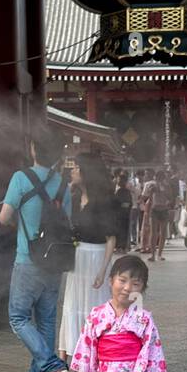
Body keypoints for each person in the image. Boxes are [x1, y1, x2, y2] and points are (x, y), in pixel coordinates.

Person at [0, 128, 72, 372]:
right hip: (55, 260)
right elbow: (68, 222)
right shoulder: (64, 184)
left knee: (18, 317)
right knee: (46, 319)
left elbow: (4, 218)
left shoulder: (21, 178)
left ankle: (50, 364)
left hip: (28, 260)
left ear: (33, 150)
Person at [58, 154, 120, 361]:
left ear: (86, 172)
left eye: (76, 167)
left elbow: (111, 238)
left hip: (96, 256)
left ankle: (94, 353)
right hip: (77, 257)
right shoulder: (73, 198)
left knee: (93, 306)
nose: (72, 171)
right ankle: (65, 355)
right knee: (72, 304)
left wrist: (104, 270)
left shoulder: (104, 201)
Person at [148, 168, 172, 262]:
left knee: (163, 233)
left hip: (164, 209)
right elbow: (149, 197)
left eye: (161, 178)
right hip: (155, 209)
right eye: (158, 178)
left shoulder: (167, 186)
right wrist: (153, 190)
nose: (159, 180)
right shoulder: (152, 185)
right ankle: (153, 254)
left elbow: (170, 197)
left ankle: (159, 254)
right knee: (153, 233)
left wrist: (164, 190)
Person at [113, 170, 133, 252]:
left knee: (121, 230)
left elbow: (127, 203)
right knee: (123, 230)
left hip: (121, 214)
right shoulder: (121, 191)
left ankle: (121, 246)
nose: (118, 181)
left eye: (120, 180)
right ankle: (122, 246)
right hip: (123, 214)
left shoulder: (122, 191)